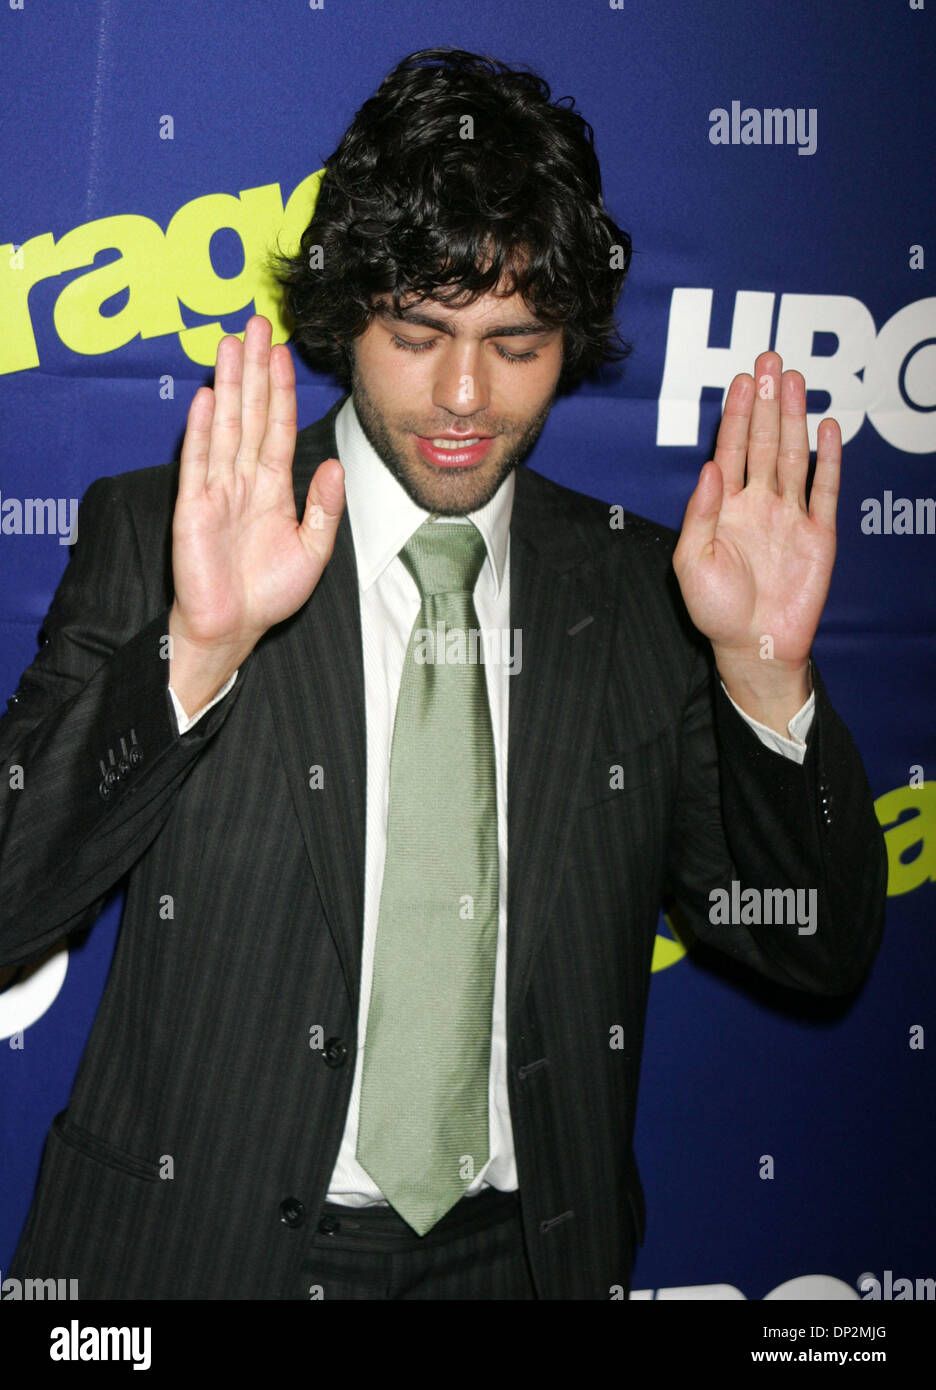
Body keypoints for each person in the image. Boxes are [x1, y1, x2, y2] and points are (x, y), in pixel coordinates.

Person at [0, 47, 885, 1300]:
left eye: (514, 343)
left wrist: (763, 672)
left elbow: (817, 950)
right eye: (419, 333)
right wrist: (196, 650)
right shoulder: (167, 535)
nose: (464, 395)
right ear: (346, 312)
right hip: (191, 1259)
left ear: (571, 336)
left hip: (524, 1263)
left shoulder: (643, 592)